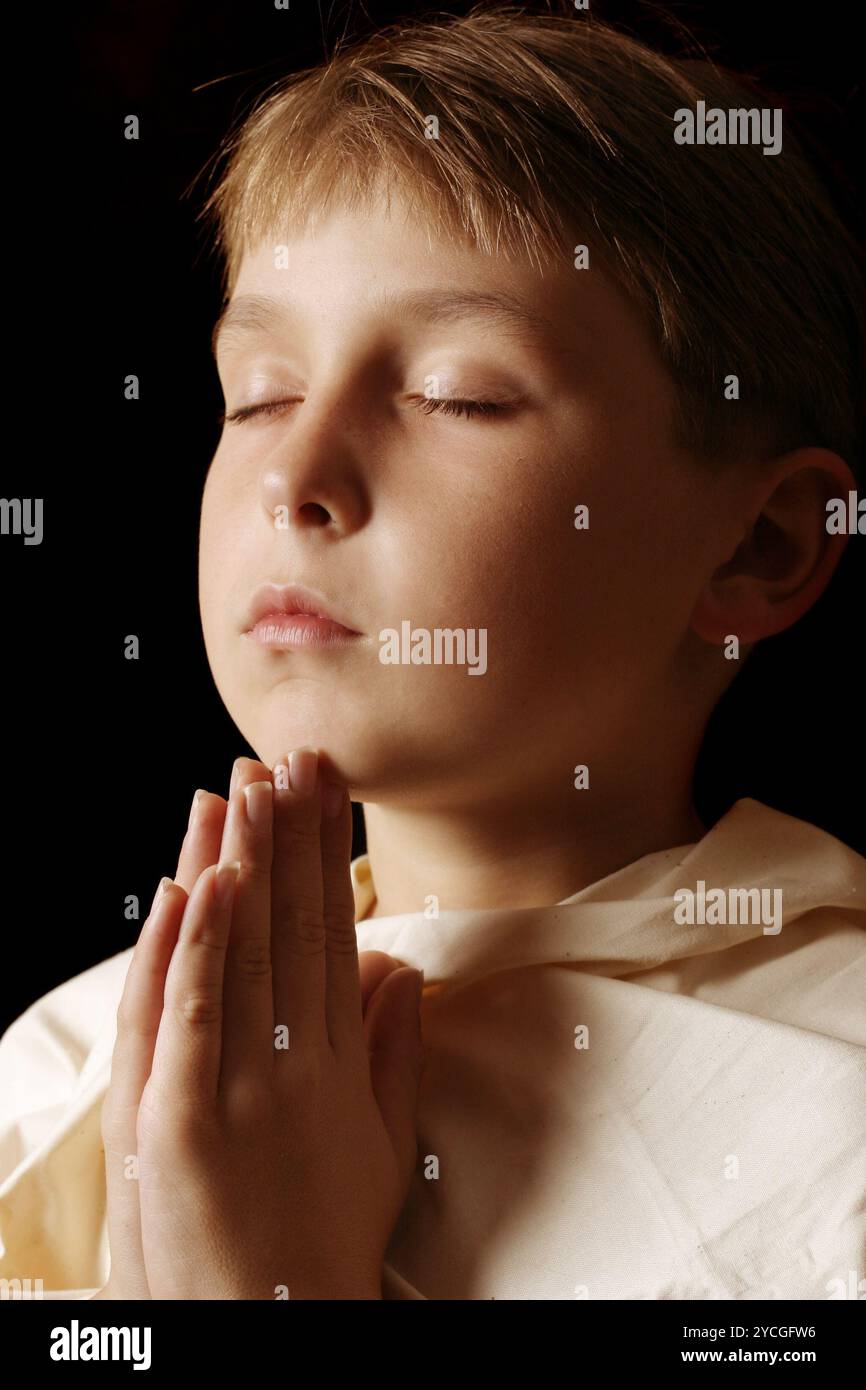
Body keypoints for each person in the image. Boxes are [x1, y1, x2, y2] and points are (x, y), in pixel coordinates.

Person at [2, 3, 864, 1300]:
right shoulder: (66, 1063)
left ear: (758, 547)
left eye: (458, 392)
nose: (295, 472)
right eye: (258, 394)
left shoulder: (832, 1092)